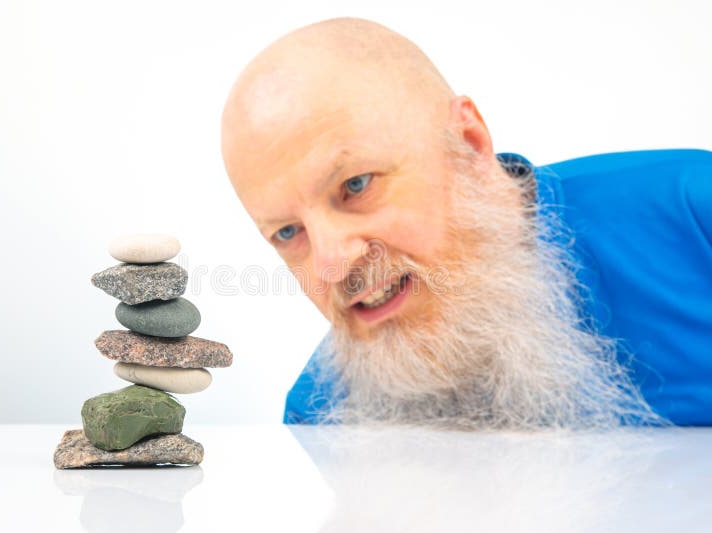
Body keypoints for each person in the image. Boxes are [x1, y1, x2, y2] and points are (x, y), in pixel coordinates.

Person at [220, 17, 712, 429]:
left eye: (355, 185)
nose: (329, 264)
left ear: (469, 144)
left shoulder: (694, 212)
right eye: (287, 233)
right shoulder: (320, 417)